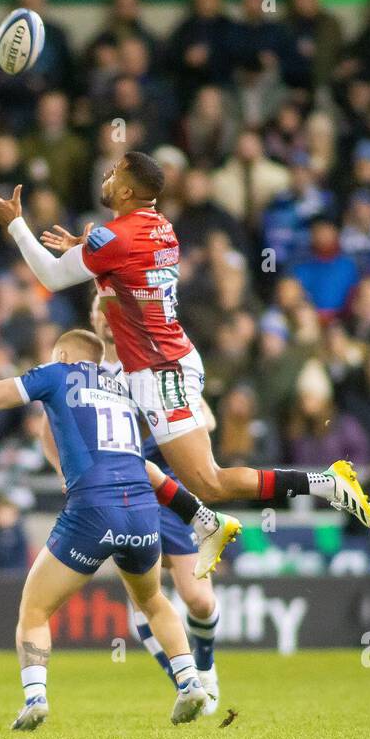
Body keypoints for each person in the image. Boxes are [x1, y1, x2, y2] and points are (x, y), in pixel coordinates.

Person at [0, 151, 370, 531]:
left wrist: (15, 225)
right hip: (167, 359)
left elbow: (54, 278)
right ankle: (201, 526)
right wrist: (89, 253)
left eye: (115, 174)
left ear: (127, 191)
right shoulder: (161, 226)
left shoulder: (116, 239)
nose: (107, 177)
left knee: (210, 483)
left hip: (158, 371)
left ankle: (326, 483)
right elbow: (127, 274)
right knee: (122, 451)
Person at [0, 328, 210, 730]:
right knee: (152, 602)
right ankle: (189, 683)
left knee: (35, 608)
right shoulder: (123, 388)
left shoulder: (57, 373)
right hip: (144, 508)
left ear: (60, 353)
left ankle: (35, 698)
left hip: (93, 508)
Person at [89, 294, 223, 713]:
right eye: (101, 310)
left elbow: (207, 419)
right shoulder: (85, 374)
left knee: (198, 599)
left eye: (116, 309)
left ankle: (206, 667)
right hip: (122, 489)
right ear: (93, 320)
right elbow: (51, 431)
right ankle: (186, 686)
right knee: (145, 594)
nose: (109, 318)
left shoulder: (152, 361)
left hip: (171, 487)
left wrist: (157, 424)